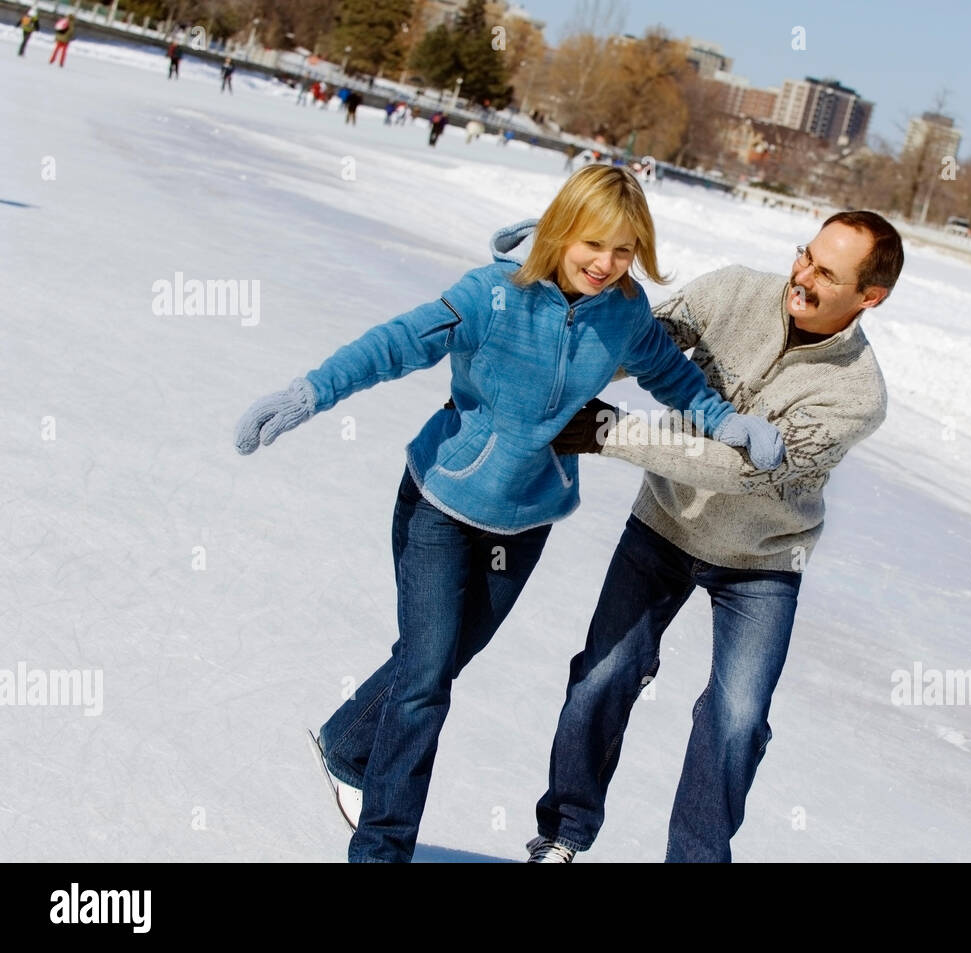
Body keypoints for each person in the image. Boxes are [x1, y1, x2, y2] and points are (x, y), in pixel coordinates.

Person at [232, 166, 785, 863]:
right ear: (561, 228)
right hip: (440, 502)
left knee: (436, 662)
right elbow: (396, 343)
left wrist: (725, 421)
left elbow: (669, 372)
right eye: (595, 245)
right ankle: (380, 851)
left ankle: (347, 742)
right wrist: (309, 392)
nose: (607, 264)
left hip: (523, 522)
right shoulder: (492, 295)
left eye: (624, 251)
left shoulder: (622, 310)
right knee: (425, 687)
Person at [525, 210, 904, 863]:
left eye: (826, 274)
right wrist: (557, 324)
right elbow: (640, 345)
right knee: (603, 673)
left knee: (736, 720)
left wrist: (609, 432)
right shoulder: (730, 292)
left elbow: (746, 471)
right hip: (665, 523)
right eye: (804, 255)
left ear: (870, 297)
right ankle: (561, 835)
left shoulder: (857, 394)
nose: (802, 276)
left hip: (761, 561)